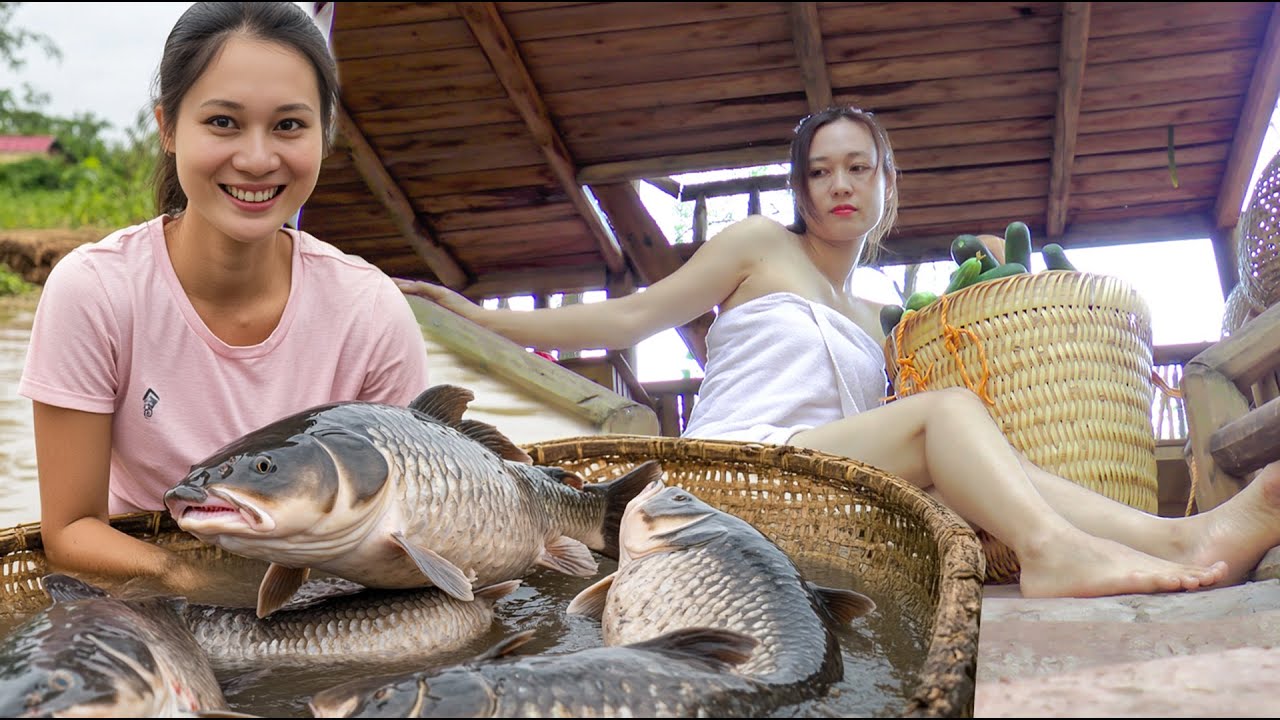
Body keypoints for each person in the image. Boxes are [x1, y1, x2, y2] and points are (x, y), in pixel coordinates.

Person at [397, 105, 1280, 599]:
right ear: (800, 189)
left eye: (859, 167)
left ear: (887, 184)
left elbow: (947, 379)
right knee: (945, 416)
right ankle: (1055, 551)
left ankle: (1183, 535)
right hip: (735, 474)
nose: (839, 185)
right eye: (819, 171)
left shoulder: (878, 311)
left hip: (832, 493)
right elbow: (630, 319)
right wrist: (481, 317)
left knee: (967, 443)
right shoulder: (757, 247)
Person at [18, 2, 430, 595]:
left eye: (289, 125)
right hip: (152, 598)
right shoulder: (96, 292)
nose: (257, 159)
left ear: (324, 133)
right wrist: (190, 581)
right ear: (167, 127)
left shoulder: (371, 311)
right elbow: (71, 528)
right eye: (223, 122)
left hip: (328, 596)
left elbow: (408, 517)